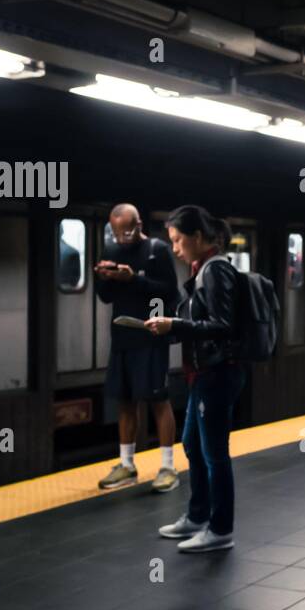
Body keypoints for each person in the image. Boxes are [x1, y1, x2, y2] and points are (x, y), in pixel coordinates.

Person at [147, 205, 247, 553]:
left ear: (198, 237)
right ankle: (197, 515)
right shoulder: (201, 269)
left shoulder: (215, 270)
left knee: (214, 453)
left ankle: (220, 529)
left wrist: (176, 326)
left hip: (218, 373)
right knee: (192, 445)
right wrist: (174, 327)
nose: (174, 248)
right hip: (202, 374)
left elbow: (223, 325)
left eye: (177, 240)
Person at [94, 203, 181, 493]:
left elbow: (170, 291)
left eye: (128, 230)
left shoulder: (157, 250)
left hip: (151, 336)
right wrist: (105, 277)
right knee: (125, 400)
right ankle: (126, 465)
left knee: (158, 399)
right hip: (122, 336)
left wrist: (135, 279)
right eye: (117, 232)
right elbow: (105, 297)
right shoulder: (112, 251)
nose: (123, 237)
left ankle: (168, 467)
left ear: (140, 224)